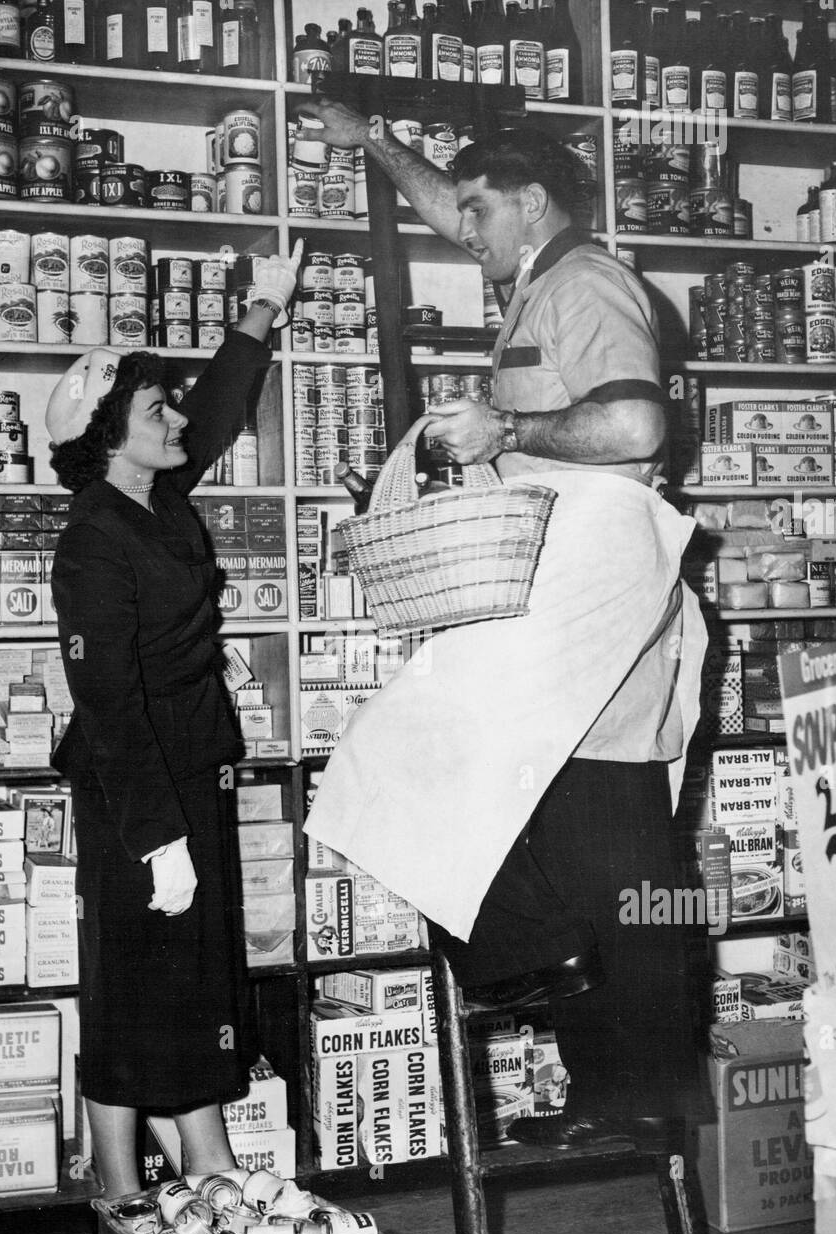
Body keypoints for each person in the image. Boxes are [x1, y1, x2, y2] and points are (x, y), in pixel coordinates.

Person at [299, 105, 711, 1149]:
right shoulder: (533, 267)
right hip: (558, 575)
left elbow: (634, 425)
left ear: (531, 206)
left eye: (479, 212)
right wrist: (374, 142)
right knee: (571, 842)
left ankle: (643, 1084)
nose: (461, 230)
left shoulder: (588, 281)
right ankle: (584, 1048)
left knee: (622, 856)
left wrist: (508, 428)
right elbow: (453, 201)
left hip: (604, 587)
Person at [45, 242, 302, 1197]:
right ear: (110, 438)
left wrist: (261, 308)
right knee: (138, 977)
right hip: (133, 786)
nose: (176, 417)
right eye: (157, 410)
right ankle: (118, 1185)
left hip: (191, 765)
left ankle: (204, 1162)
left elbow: (223, 406)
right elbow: (108, 703)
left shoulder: (156, 500)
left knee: (183, 974)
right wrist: (158, 839)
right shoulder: (92, 540)